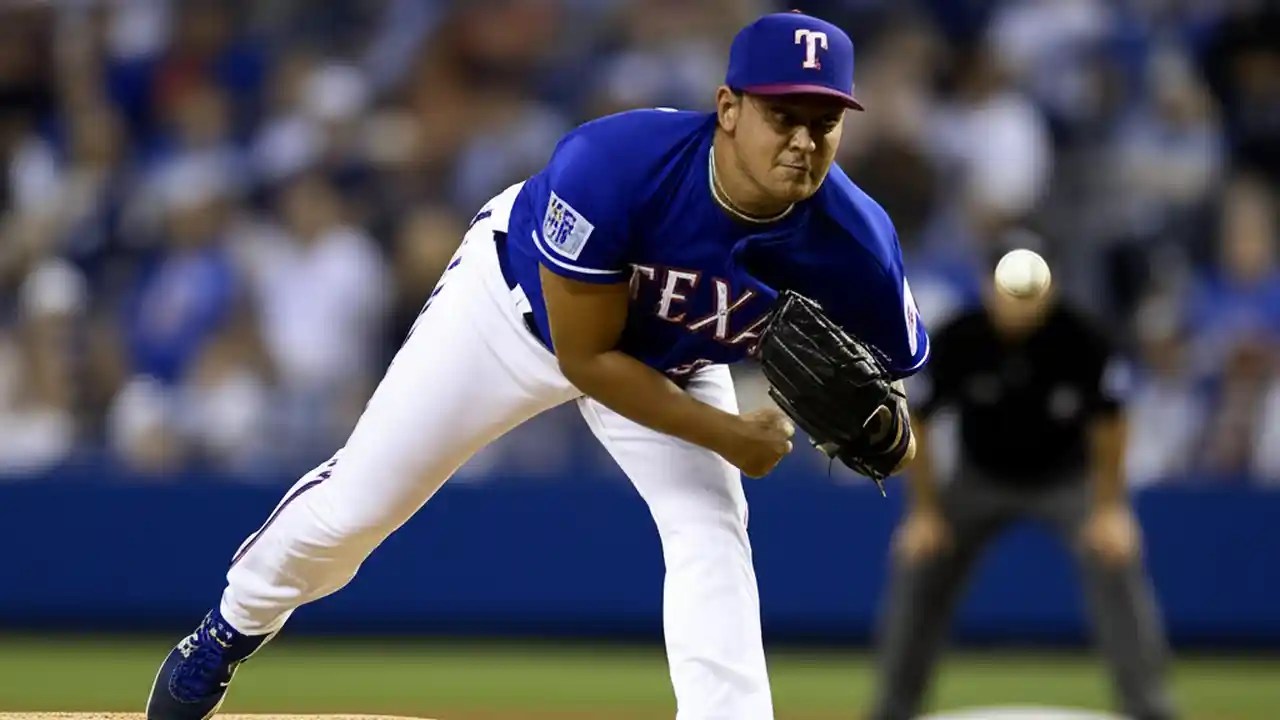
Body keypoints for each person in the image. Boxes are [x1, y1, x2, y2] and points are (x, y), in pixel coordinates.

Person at [147, 12, 929, 720]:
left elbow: (901, 390)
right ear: (728, 109)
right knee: (358, 506)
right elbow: (586, 358)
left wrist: (896, 443)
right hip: (513, 314)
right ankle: (226, 629)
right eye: (781, 115)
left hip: (674, 363)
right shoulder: (615, 164)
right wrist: (729, 434)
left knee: (711, 530)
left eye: (823, 122)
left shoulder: (856, 243)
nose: (802, 140)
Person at [869, 246, 1177, 720]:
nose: (1018, 302)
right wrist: (924, 514)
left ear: (1050, 288)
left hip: (1066, 480)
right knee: (920, 559)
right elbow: (919, 422)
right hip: (978, 478)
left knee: (1115, 556)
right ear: (989, 287)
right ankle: (891, 710)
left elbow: (1111, 422)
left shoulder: (1081, 336)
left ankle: (1151, 708)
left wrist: (1111, 509)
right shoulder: (961, 335)